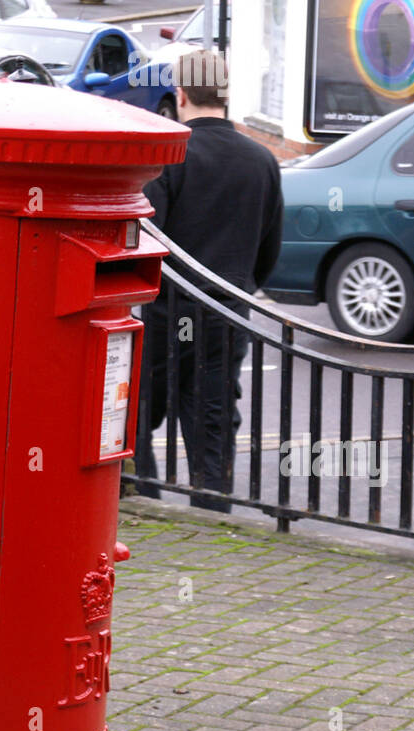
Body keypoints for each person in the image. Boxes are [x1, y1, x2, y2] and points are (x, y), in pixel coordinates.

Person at [136, 50, 283, 511]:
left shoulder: (170, 156)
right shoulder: (261, 160)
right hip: (225, 313)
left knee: (137, 413)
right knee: (213, 420)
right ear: (225, 94)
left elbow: (148, 235)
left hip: (165, 310)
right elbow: (270, 246)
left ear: (180, 95)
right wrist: (239, 288)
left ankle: (146, 498)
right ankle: (211, 514)